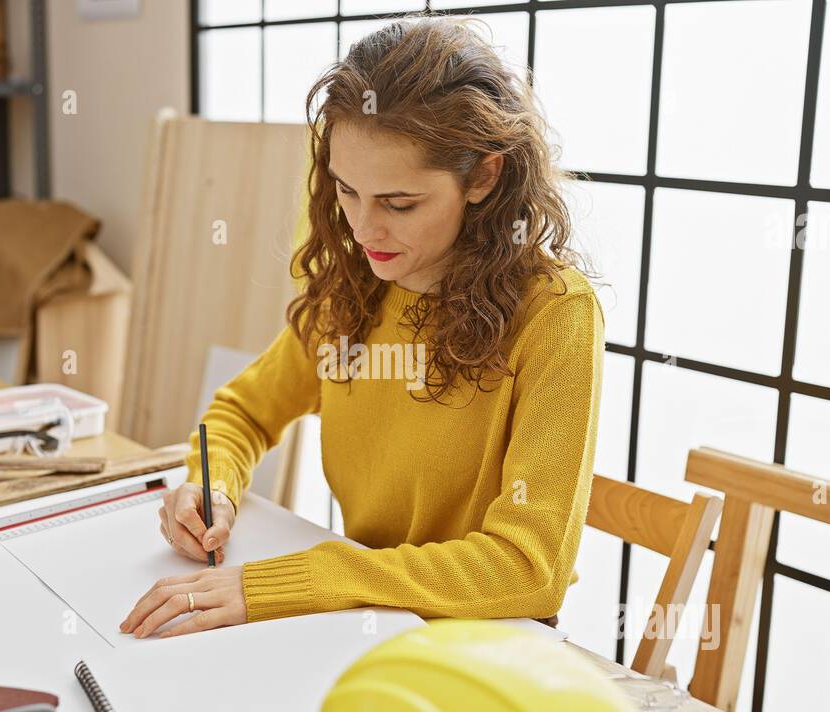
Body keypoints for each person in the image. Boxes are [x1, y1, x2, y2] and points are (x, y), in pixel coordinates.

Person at [121, 15, 604, 640]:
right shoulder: (354, 291)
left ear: (484, 175)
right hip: (365, 623)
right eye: (347, 192)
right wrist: (211, 486)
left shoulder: (554, 313)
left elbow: (527, 568)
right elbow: (243, 412)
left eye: (400, 204)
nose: (362, 229)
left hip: (486, 642)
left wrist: (314, 579)